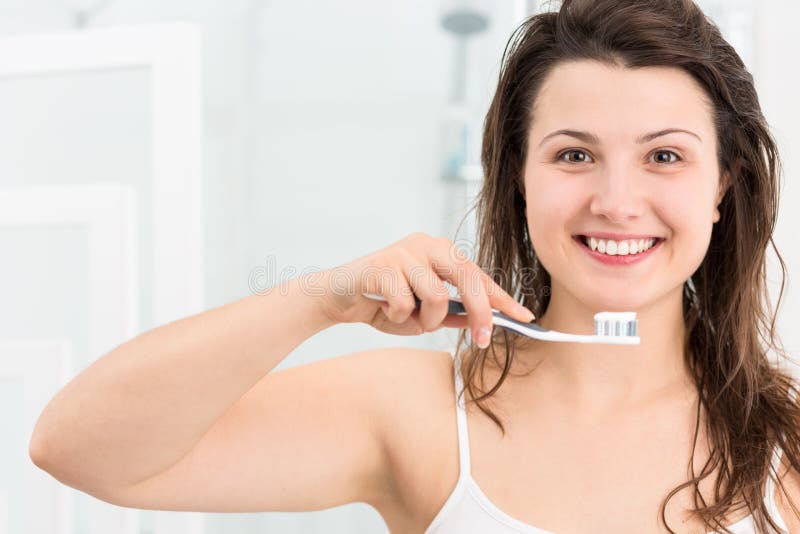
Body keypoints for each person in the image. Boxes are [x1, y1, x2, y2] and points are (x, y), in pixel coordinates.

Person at [28, 0, 800, 532]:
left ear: (722, 186)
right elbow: (78, 448)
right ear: (519, 179)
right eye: (574, 155)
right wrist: (320, 298)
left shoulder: (786, 444)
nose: (618, 201)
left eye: (665, 156)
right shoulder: (418, 414)